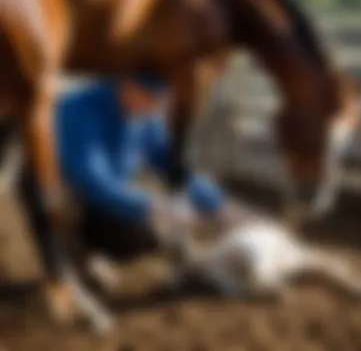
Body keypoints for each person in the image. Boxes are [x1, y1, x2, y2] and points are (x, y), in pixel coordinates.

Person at [17, 72, 226, 290]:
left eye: (159, 99)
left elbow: (170, 165)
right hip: (70, 191)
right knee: (67, 205)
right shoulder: (77, 111)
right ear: (125, 85)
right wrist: (156, 207)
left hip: (106, 188)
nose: (154, 106)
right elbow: (93, 182)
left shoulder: (146, 114)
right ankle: (77, 255)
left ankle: (191, 264)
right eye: (149, 97)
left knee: (157, 208)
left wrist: (218, 202)